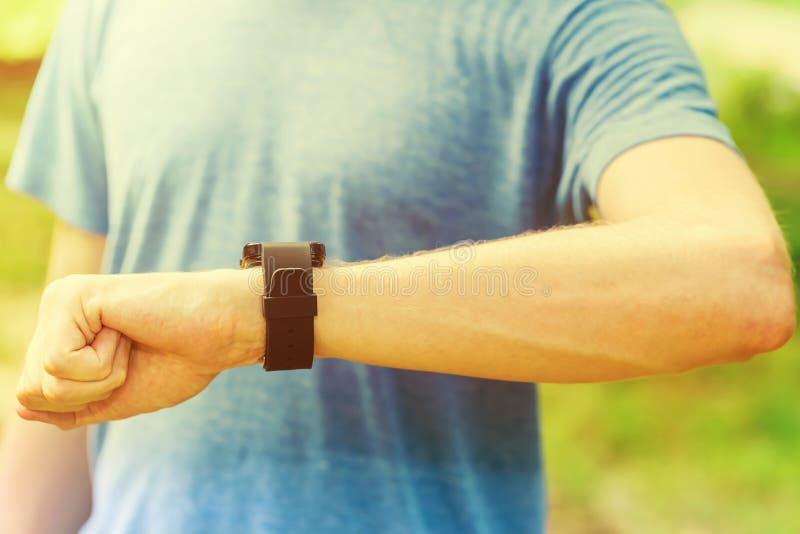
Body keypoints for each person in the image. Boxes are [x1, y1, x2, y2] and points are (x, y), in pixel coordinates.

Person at [0, 0, 794, 532]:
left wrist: (266, 313)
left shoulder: (576, 17)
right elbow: (69, 373)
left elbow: (734, 280)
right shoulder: (113, 12)